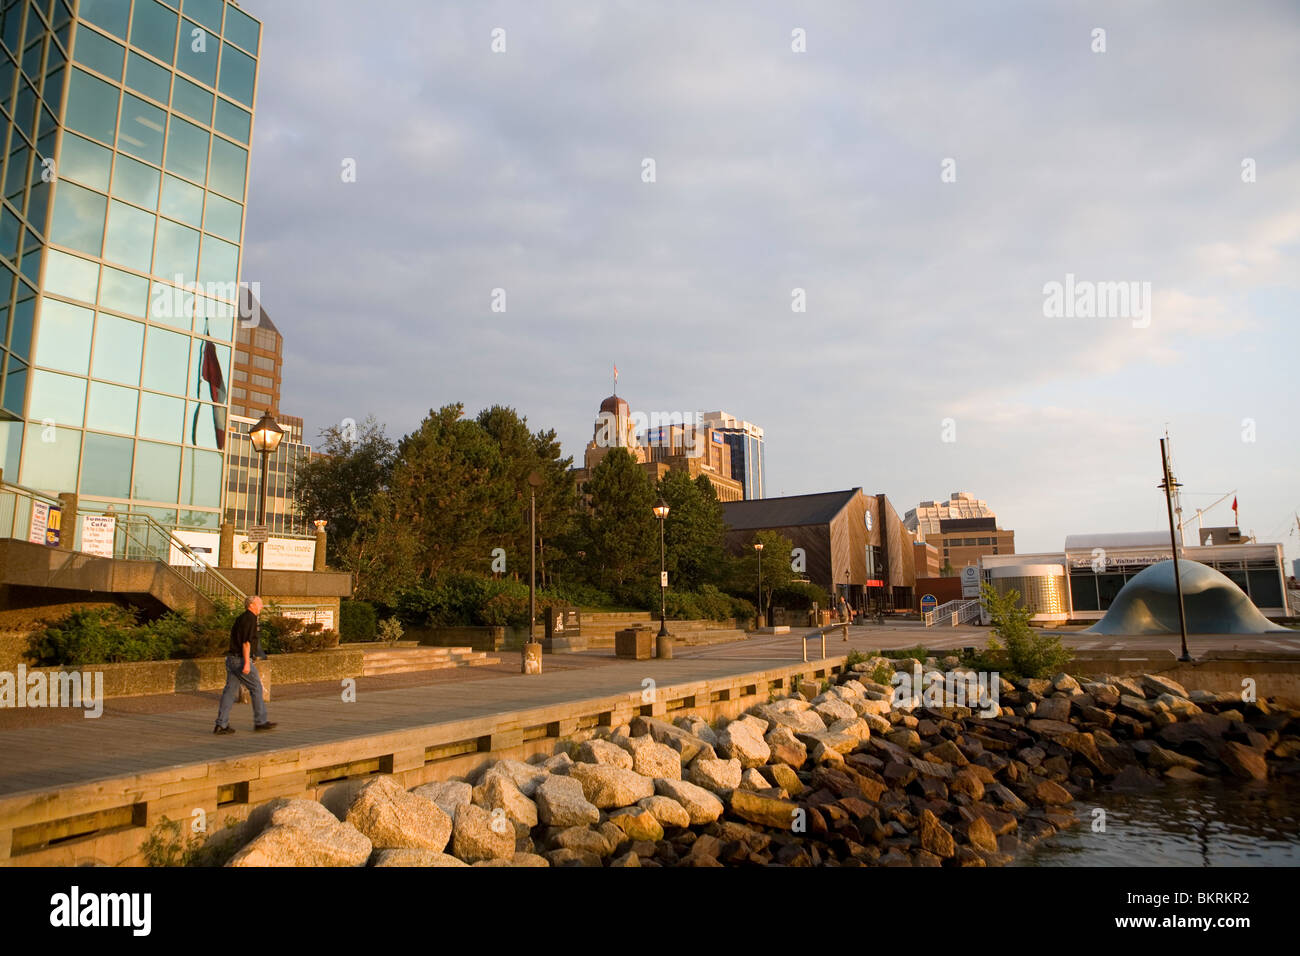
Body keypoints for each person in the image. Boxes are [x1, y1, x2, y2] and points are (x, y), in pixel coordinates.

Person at [214, 595, 276, 734]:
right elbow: (246, 643)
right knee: (256, 688)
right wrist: (247, 663)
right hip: (241, 660)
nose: (262, 606)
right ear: (252, 605)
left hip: (231, 659)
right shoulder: (250, 619)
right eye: (260, 604)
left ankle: (221, 724)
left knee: (229, 691)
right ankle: (260, 721)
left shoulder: (241, 618)